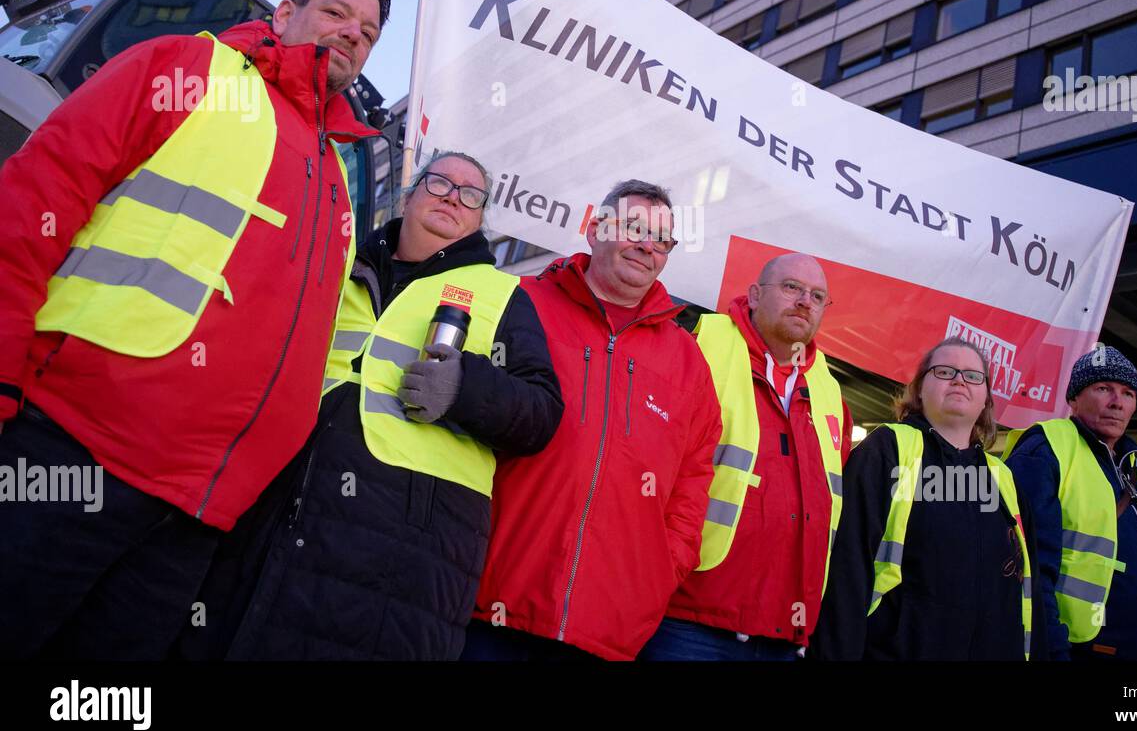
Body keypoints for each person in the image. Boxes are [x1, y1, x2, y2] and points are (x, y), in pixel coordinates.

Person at [0, 0, 389, 658]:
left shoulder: (338, 174)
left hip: (200, 514)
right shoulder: (187, 69)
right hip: (76, 450)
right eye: (336, 13)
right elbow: (32, 206)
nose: (352, 36)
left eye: (368, 32)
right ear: (283, 13)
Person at [177, 151, 563, 660]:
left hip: (408, 537)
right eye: (441, 183)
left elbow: (541, 413)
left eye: (471, 195)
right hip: (280, 494)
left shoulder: (502, 295)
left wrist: (466, 388)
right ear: (411, 192)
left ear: (480, 216)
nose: (453, 197)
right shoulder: (342, 263)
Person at [462, 180, 723, 661]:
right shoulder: (519, 304)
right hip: (488, 604)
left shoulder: (688, 361)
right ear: (594, 228)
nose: (647, 245)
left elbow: (693, 481)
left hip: (608, 629)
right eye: (634, 227)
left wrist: (662, 570)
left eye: (662, 240)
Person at [639, 253, 852, 660]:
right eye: (791, 288)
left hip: (781, 636)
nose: (805, 301)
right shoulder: (698, 345)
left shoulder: (830, 391)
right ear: (754, 295)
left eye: (817, 296)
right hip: (687, 617)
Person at [812, 337, 1032, 660]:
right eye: (944, 371)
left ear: (986, 398)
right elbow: (847, 571)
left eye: (973, 376)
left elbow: (1028, 592)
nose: (959, 379)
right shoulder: (888, 449)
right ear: (918, 389)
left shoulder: (1004, 479)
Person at [1004, 346, 1137, 661]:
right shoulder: (1047, 449)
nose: (1117, 402)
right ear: (1074, 398)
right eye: (1103, 388)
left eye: (1128, 393)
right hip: (1076, 651)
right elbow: (1025, 566)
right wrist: (1051, 649)